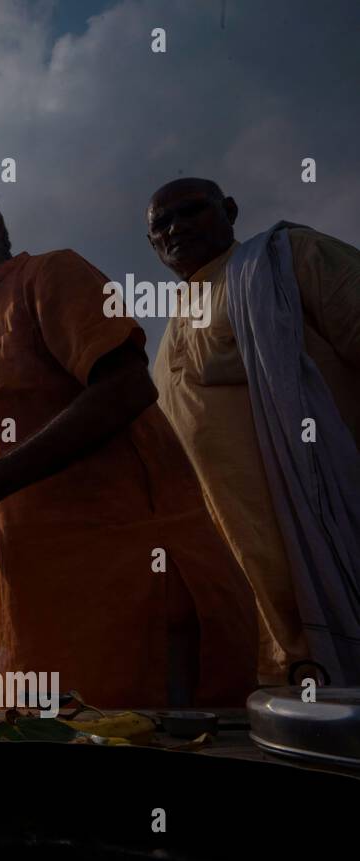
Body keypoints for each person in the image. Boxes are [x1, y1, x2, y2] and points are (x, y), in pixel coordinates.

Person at [0, 185, 256, 707]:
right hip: (45, 603)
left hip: (131, 586)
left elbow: (128, 387)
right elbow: (14, 489)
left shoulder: (52, 274)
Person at [147, 178, 360, 685]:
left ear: (231, 210)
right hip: (246, 594)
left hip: (332, 548)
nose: (176, 227)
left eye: (191, 211)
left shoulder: (288, 259)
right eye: (161, 225)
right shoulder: (168, 333)